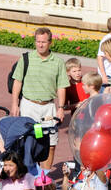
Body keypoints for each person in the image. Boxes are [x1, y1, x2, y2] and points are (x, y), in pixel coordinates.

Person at [9, 26, 69, 166]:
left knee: (51, 143)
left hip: (48, 108)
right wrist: (14, 104)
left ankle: (44, 179)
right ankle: (30, 175)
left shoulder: (58, 62)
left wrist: (60, 108)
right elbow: (17, 82)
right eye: (38, 41)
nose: (40, 45)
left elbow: (61, 86)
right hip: (29, 107)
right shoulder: (26, 59)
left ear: (50, 43)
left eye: (43, 42)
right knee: (30, 141)